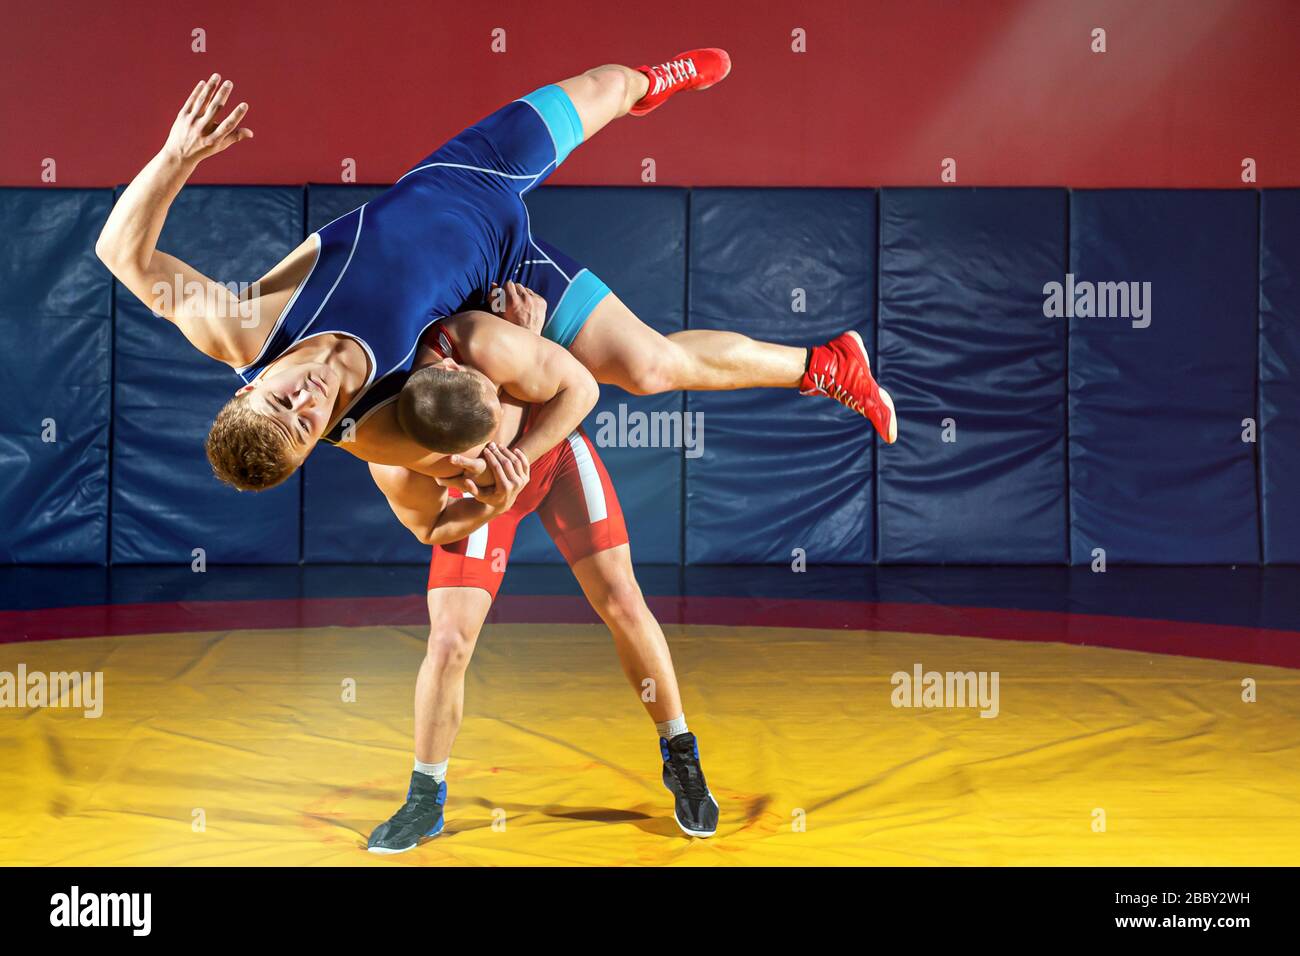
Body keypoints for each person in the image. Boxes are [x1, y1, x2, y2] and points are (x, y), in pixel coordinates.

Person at [94, 49, 897, 494]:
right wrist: (522, 360)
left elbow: (121, 254)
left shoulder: (245, 329)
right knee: (651, 369)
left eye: (280, 399)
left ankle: (656, 81)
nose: (304, 401)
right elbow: (494, 442)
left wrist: (173, 158)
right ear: (313, 450)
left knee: (606, 87)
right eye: (304, 424)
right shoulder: (379, 432)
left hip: (463, 179)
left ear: (248, 385)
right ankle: (827, 365)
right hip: (511, 280)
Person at [365, 327, 718, 852]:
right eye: (474, 450)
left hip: (549, 450)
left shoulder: (484, 343)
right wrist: (490, 499)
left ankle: (680, 752)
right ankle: (425, 795)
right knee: (448, 641)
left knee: (622, 599)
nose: (489, 449)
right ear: (438, 456)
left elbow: (582, 390)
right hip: (476, 501)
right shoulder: (392, 462)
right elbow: (430, 528)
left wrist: (520, 455)